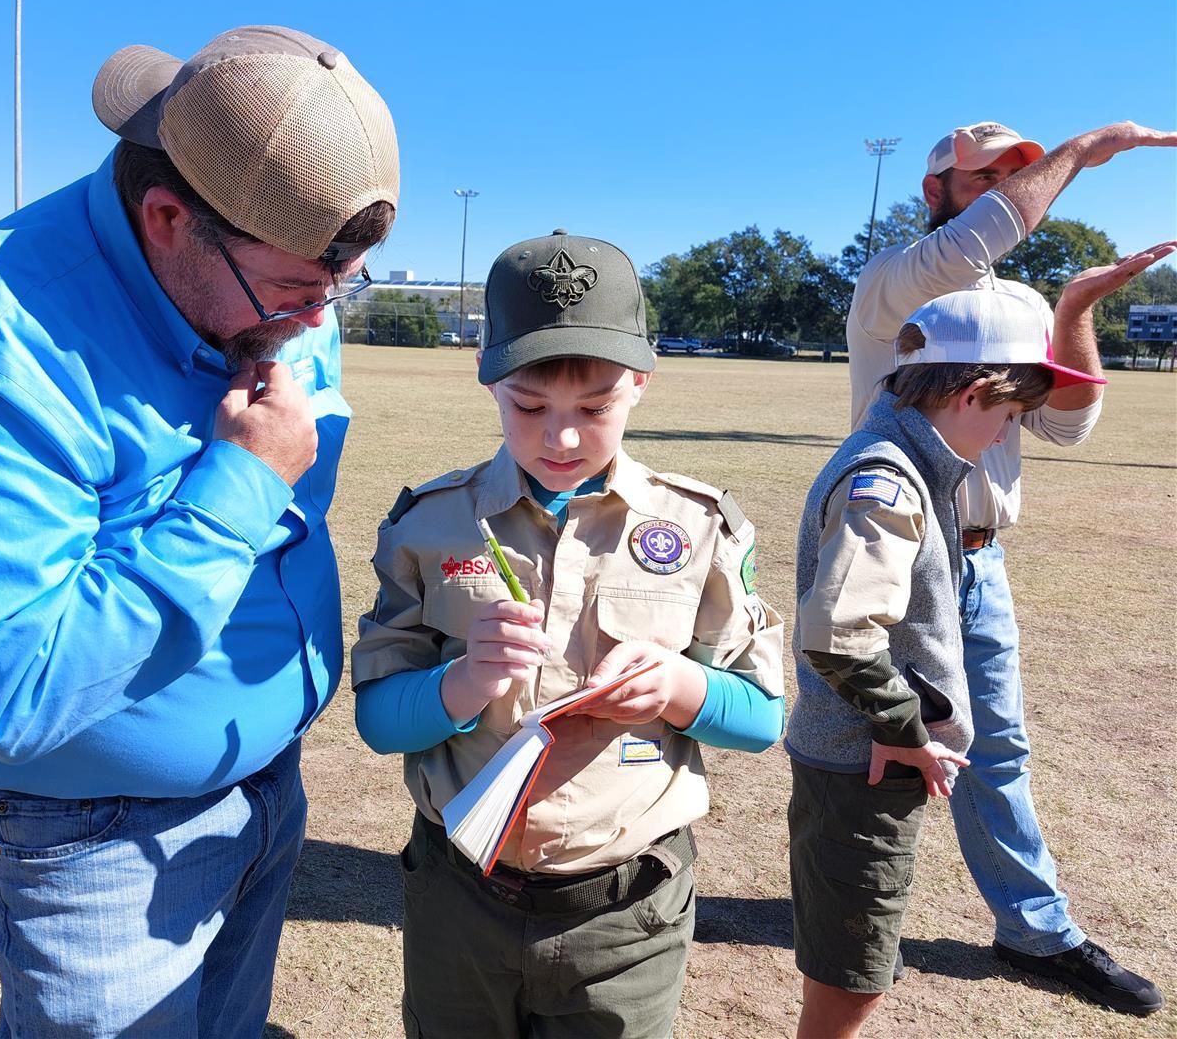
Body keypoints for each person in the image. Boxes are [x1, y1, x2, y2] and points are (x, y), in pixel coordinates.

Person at [0, 25, 398, 1037]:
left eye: (338, 291)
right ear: (169, 216)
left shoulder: (272, 280)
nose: (319, 326)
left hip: (265, 791)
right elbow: (10, 689)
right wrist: (238, 483)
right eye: (296, 293)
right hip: (89, 844)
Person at [350, 230, 786, 1039]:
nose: (562, 438)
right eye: (529, 407)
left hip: (626, 912)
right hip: (461, 896)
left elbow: (761, 719)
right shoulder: (432, 524)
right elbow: (378, 720)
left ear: (641, 385)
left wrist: (682, 688)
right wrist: (462, 685)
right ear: (489, 384)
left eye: (595, 409)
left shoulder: (698, 527)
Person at [847, 119, 1175, 1016]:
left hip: (980, 566)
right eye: (982, 174)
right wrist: (1083, 151)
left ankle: (1037, 931)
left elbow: (1065, 426)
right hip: (896, 556)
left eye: (1014, 172)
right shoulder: (895, 284)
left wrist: (1071, 313)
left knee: (997, 752)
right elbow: (980, 238)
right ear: (936, 191)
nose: (1000, 187)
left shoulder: (1023, 307)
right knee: (869, 748)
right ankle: (842, 918)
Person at [789, 284, 1108, 1038]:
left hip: (865, 755)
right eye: (1007, 416)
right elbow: (838, 632)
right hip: (864, 760)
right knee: (852, 973)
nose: (1005, 437)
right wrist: (903, 728)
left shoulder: (910, 457)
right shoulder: (889, 480)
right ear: (970, 394)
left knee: (858, 951)